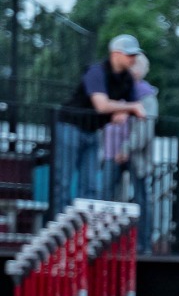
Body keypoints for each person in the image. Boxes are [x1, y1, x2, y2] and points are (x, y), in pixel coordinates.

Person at [56, 33, 143, 206]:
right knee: (63, 182)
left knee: (90, 185)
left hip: (92, 130)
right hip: (71, 127)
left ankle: (84, 230)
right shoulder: (96, 71)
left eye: (135, 55)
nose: (133, 59)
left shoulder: (127, 79)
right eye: (130, 54)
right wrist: (127, 108)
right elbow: (102, 105)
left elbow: (136, 107)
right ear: (115, 53)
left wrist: (125, 110)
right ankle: (59, 225)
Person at [101, 54, 159, 250]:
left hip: (135, 155)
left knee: (141, 198)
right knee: (107, 197)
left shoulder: (146, 95)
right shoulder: (116, 90)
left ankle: (143, 244)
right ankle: (106, 242)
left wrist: (126, 148)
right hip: (111, 152)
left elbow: (145, 129)